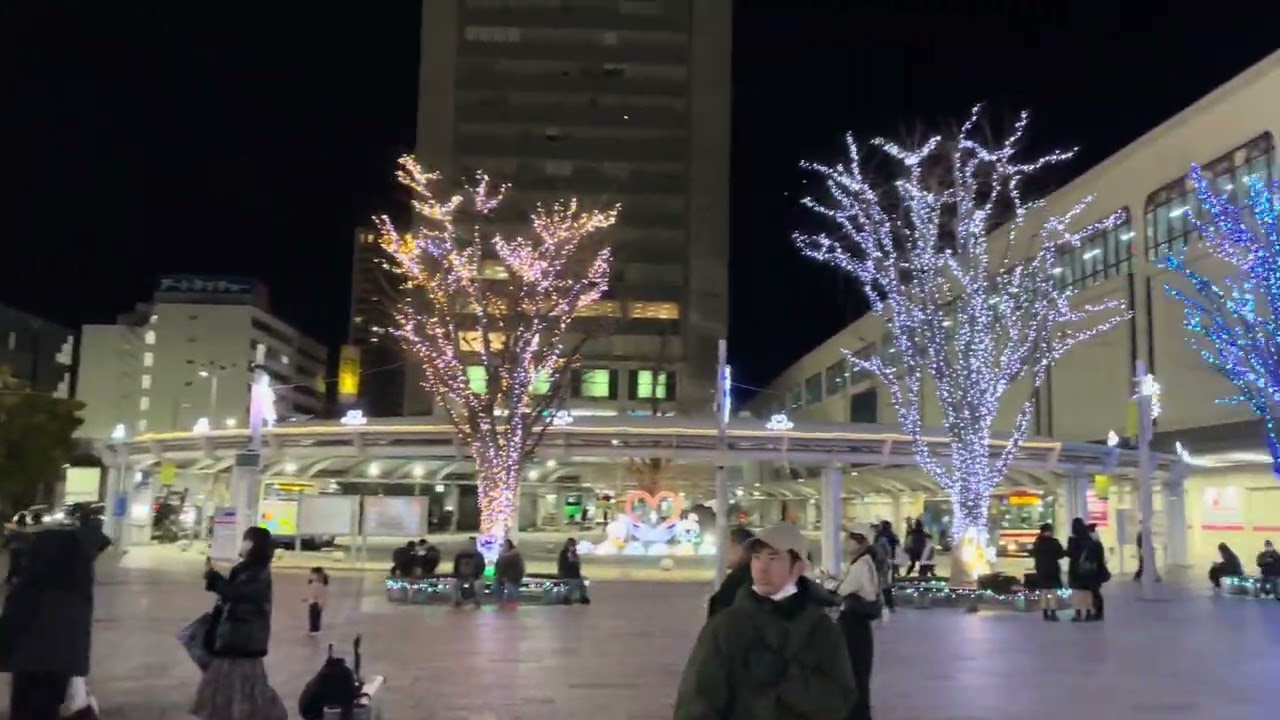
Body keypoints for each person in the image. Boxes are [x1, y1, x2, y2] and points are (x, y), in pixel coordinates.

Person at [672, 524, 857, 720]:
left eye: (773, 557)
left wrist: (786, 675)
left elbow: (838, 704)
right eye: (756, 557)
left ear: (798, 567)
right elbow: (697, 702)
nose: (762, 567)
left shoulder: (822, 629)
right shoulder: (727, 627)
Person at [0, 517, 110, 720]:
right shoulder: (78, 569)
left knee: (27, 709)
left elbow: (16, 618)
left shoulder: (34, 572)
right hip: (64, 660)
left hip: (29, 662)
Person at [191, 526, 287, 720]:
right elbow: (233, 595)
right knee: (230, 687)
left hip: (243, 640)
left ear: (252, 544)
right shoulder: (247, 569)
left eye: (246, 540)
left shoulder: (257, 572)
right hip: (236, 639)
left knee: (241, 687)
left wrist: (215, 579)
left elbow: (238, 594)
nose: (243, 544)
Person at [835, 524, 880, 720]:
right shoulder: (866, 562)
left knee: (854, 673)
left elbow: (843, 591)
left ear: (859, 541)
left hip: (854, 626)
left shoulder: (861, 565)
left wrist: (830, 583)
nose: (846, 542)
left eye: (850, 538)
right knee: (861, 673)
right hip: (861, 626)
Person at [706, 526, 755, 618]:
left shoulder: (740, 579)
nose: (724, 552)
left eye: (727, 547)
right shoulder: (746, 576)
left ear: (739, 548)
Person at [1066, 517, 1105, 622]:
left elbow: (1070, 554)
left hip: (1076, 570)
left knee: (1078, 593)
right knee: (1090, 592)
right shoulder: (1090, 539)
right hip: (1090, 570)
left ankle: (1078, 614)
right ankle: (1091, 613)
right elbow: (1098, 554)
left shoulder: (1073, 540)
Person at [1031, 522, 1065, 621]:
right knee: (1053, 592)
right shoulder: (1054, 542)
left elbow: (1033, 554)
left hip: (1041, 569)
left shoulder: (1037, 542)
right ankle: (1053, 613)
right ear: (1050, 531)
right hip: (1053, 569)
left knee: (1044, 592)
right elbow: (1061, 554)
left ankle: (1045, 613)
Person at [872, 521, 900, 613]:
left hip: (880, 563)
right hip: (886, 562)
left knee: (879, 584)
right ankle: (889, 605)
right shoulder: (892, 536)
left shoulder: (880, 538)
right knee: (885, 584)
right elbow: (890, 550)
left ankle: (881, 605)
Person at [451, 537, 485, 608]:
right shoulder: (460, 555)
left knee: (478, 585)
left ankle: (477, 601)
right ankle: (456, 601)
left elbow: (481, 567)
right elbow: (456, 567)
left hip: (475, 577)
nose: (471, 545)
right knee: (454, 584)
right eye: (469, 543)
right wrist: (458, 576)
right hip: (461, 577)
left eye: (473, 543)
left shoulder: (479, 555)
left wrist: (475, 576)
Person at [557, 538, 590, 605]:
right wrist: (570, 557)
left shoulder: (575, 554)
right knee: (572, 584)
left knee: (582, 584)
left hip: (574, 574)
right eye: (572, 545)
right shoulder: (564, 553)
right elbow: (566, 564)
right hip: (566, 574)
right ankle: (566, 598)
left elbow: (577, 564)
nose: (574, 547)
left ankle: (583, 597)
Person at [494, 539, 525, 609]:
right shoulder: (502, 555)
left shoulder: (513, 555)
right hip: (502, 577)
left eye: (504, 545)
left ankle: (510, 605)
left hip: (512, 578)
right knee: (497, 588)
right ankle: (502, 603)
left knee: (511, 592)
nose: (503, 547)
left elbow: (518, 568)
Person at [304, 567, 329, 635]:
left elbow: (316, 594)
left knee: (313, 617)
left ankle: (313, 630)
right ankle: (316, 630)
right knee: (316, 616)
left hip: (315, 603)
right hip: (316, 602)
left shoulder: (318, 584)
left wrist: (318, 602)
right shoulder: (318, 583)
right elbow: (312, 593)